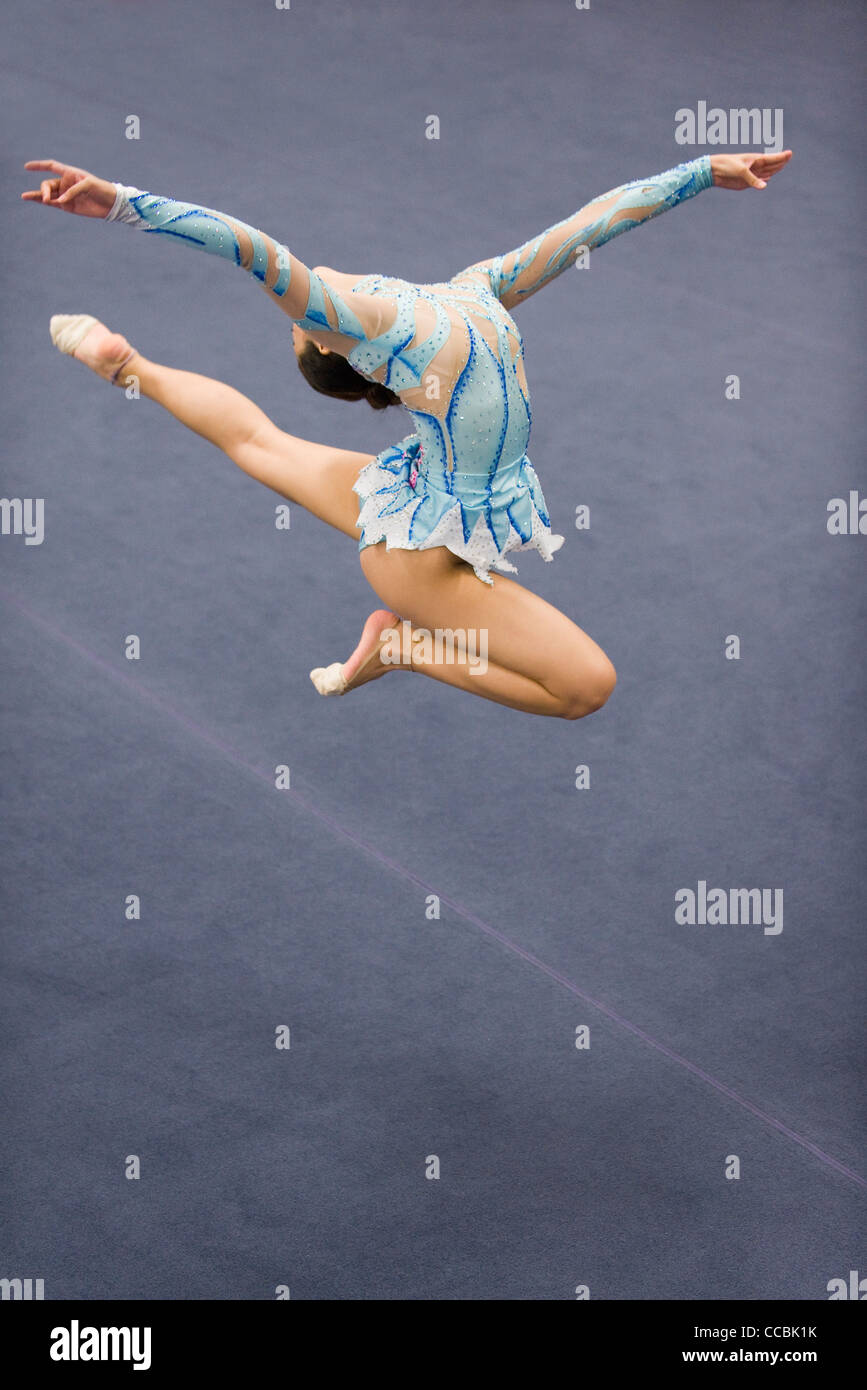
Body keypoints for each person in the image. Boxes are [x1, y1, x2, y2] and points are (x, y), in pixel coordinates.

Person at [23, 148, 791, 715]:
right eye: (301, 326)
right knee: (585, 688)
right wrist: (120, 201)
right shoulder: (357, 326)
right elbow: (250, 249)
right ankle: (406, 648)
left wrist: (701, 172)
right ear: (332, 344)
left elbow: (588, 226)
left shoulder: (472, 290)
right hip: (415, 560)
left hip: (420, 494)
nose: (313, 288)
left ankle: (128, 366)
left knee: (260, 445)